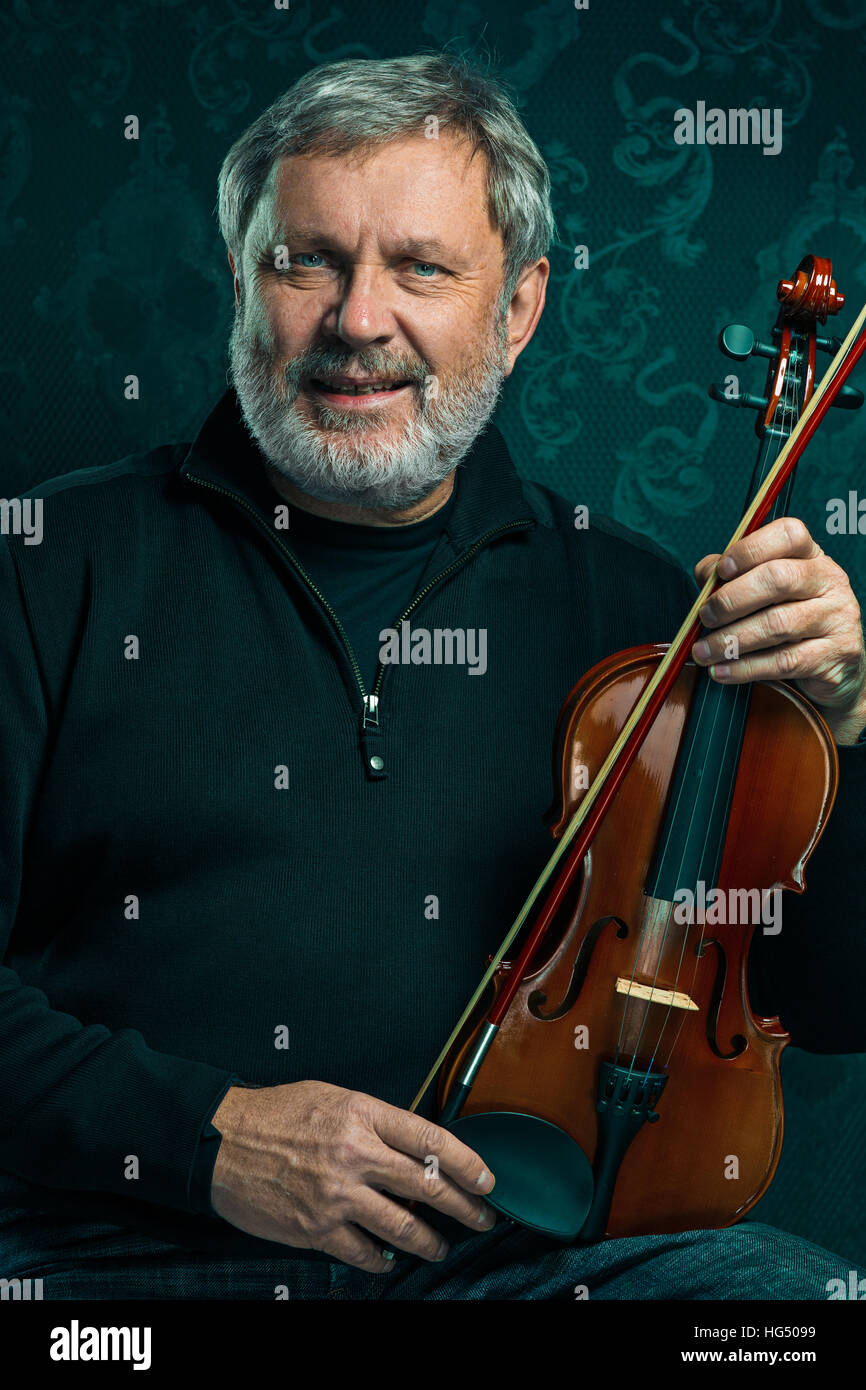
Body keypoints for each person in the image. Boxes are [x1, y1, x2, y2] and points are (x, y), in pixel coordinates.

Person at [1, 53, 864, 1302]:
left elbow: (824, 1001)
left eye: (419, 267)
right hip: (120, 1253)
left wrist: (842, 722)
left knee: (795, 1320)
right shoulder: (47, 565)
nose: (357, 320)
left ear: (516, 308)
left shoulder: (643, 621)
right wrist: (207, 1138)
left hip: (512, 1268)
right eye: (308, 260)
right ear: (243, 281)